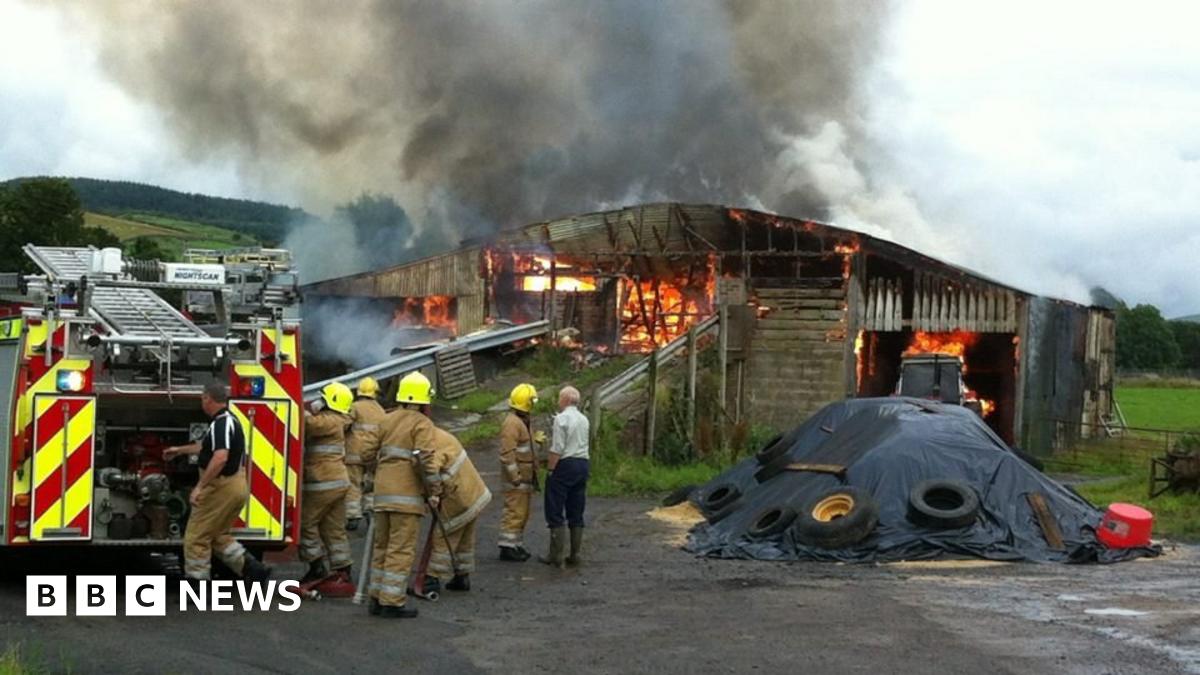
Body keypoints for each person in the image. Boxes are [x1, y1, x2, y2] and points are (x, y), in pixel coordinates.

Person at [164, 381, 270, 584]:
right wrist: (179, 450)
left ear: (207, 399)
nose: (202, 403)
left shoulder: (221, 423)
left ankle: (197, 587)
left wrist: (199, 487)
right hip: (235, 486)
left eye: (203, 398)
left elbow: (220, 457)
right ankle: (254, 570)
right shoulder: (228, 421)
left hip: (221, 487)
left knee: (196, 537)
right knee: (218, 535)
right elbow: (206, 447)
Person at [359, 371, 439, 619]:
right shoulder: (422, 424)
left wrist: (378, 471)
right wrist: (434, 490)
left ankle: (376, 597)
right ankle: (392, 602)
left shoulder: (387, 419)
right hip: (407, 498)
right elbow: (426, 461)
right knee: (400, 550)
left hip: (382, 494)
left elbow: (365, 453)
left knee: (381, 547)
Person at [298, 381, 356, 596]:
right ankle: (343, 568)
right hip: (336, 482)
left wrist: (300, 408)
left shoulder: (331, 420)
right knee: (333, 528)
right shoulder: (339, 419)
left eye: (321, 398)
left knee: (306, 523)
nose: (317, 402)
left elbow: (309, 425)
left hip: (323, 482)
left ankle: (316, 566)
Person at [419, 426, 492, 593]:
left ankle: (432, 579)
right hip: (474, 493)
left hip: (458, 497)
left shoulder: (430, 443)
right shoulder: (439, 435)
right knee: (465, 537)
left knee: (444, 536)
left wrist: (432, 495)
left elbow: (431, 472)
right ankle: (462, 576)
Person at [541, 385, 590, 569]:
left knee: (555, 507)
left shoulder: (561, 419)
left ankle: (556, 555)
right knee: (576, 508)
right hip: (583, 463)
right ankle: (575, 554)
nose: (558, 402)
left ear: (566, 400)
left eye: (560, 398)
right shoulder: (584, 419)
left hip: (566, 464)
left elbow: (558, 447)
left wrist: (551, 470)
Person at [497, 383, 543, 561]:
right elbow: (507, 454)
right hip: (517, 479)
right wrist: (515, 477)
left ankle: (516, 544)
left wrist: (536, 443)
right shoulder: (512, 423)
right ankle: (507, 547)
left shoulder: (522, 420)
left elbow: (523, 448)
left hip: (525, 477)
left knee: (522, 512)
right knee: (514, 512)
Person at [345, 376, 385, 531]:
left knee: (353, 484)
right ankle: (370, 510)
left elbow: (344, 425)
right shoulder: (381, 411)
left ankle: (353, 516)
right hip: (374, 455)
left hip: (354, 455)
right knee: (370, 485)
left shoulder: (354, 407)